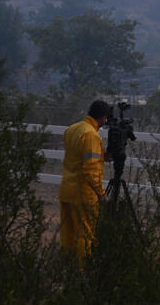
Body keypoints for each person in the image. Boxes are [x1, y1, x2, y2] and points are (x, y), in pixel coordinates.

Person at [59, 99, 111, 260]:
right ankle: (82, 272)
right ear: (103, 118)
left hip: (67, 190)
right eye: (106, 118)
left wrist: (102, 156)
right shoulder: (91, 135)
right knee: (85, 234)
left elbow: (78, 157)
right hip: (83, 194)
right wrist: (101, 193)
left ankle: (66, 268)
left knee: (68, 234)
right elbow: (90, 171)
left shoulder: (72, 129)